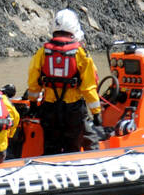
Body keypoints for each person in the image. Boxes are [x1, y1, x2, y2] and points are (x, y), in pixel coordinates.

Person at [25, 9, 104, 154]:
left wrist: (33, 104)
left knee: (50, 147)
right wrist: (97, 113)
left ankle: (49, 169)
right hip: (73, 110)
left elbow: (33, 81)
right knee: (72, 147)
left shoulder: (43, 51)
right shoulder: (81, 53)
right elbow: (89, 87)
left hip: (49, 108)